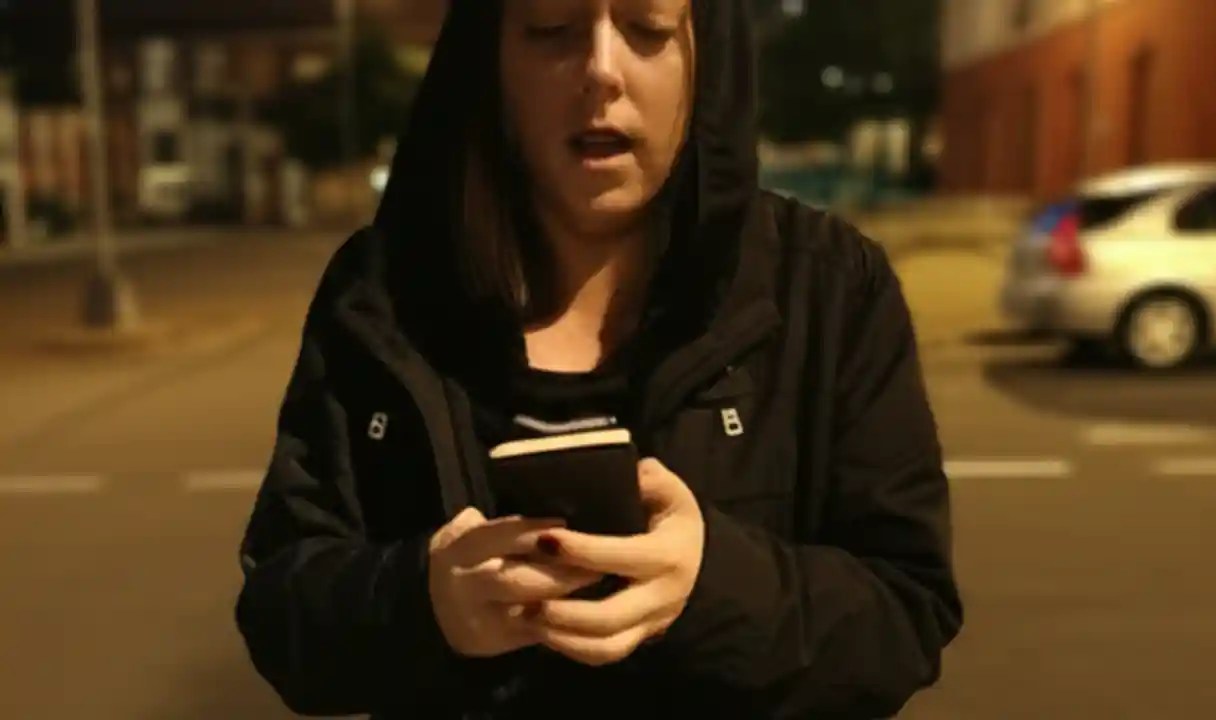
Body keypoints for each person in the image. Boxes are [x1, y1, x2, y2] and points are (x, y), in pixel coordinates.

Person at [234, 1, 963, 718]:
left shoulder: (831, 287)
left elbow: (904, 619)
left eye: (647, 30)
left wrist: (712, 586)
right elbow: (282, 609)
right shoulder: (380, 296)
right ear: (490, 57)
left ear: (705, 55)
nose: (601, 71)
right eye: (551, 30)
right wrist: (418, 601)